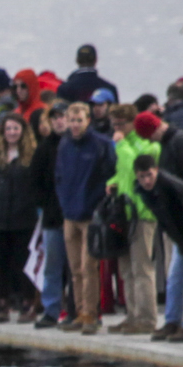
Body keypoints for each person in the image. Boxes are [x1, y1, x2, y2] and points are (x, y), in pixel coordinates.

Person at [55, 100, 117, 334]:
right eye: (72, 120)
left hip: (91, 212)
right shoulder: (65, 144)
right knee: (75, 268)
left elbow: (110, 173)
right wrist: (63, 203)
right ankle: (79, 310)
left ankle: (91, 312)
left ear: (88, 121)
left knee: (89, 266)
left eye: (79, 120)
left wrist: (100, 204)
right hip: (70, 212)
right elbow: (59, 175)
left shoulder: (100, 144)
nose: (75, 125)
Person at [0, 111, 38, 322]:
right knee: (1, 263)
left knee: (22, 262)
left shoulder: (31, 156)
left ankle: (26, 302)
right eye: (8, 129)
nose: (12, 133)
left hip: (24, 217)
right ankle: (3, 303)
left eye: (16, 129)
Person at [105, 108, 163, 335]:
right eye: (114, 124)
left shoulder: (146, 144)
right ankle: (132, 316)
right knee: (126, 270)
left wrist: (120, 145)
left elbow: (133, 168)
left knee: (142, 269)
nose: (117, 129)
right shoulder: (125, 145)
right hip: (124, 213)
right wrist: (111, 182)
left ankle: (147, 319)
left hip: (142, 214)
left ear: (132, 123)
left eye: (121, 124)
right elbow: (122, 175)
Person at [136, 152, 183, 342]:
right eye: (142, 177)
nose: (147, 180)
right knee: (173, 278)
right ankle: (172, 321)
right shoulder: (145, 191)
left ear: (156, 171)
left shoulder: (170, 186)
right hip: (180, 236)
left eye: (150, 175)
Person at [31, 102, 70, 327]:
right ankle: (51, 309)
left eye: (63, 116)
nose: (59, 121)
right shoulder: (44, 148)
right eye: (55, 117)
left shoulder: (78, 144)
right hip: (53, 216)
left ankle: (77, 309)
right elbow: (34, 181)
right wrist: (45, 204)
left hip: (77, 214)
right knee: (52, 266)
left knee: (78, 267)